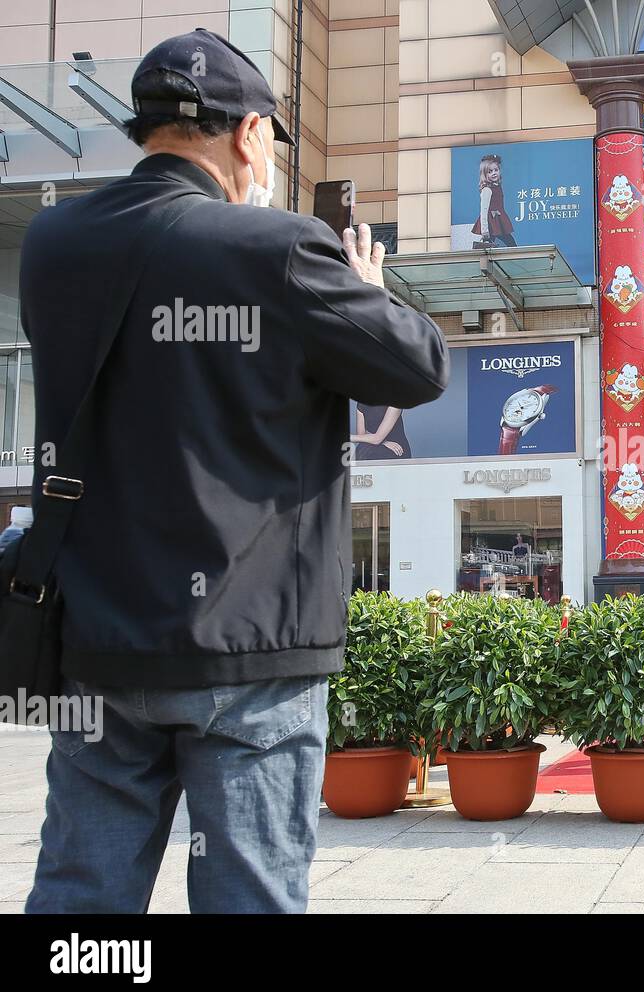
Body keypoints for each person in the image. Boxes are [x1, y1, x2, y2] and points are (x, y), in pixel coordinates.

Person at [21, 30, 449, 914]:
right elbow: (418, 367)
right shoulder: (279, 250)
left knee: (80, 902)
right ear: (249, 134)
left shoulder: (52, 244)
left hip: (97, 644)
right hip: (253, 652)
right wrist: (364, 289)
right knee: (248, 898)